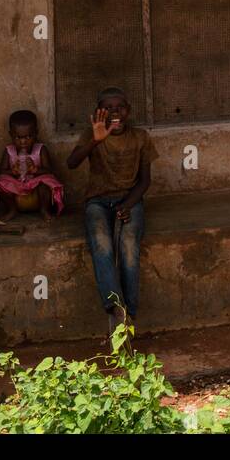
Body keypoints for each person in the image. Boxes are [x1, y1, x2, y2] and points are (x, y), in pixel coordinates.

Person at [67, 88, 158, 333]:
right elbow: (71, 163)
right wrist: (95, 140)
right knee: (102, 243)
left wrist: (127, 205)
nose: (115, 112)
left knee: (128, 244)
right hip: (97, 201)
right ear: (99, 112)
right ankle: (116, 306)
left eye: (120, 107)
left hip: (130, 200)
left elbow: (144, 181)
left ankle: (129, 311)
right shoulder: (92, 134)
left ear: (128, 110)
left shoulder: (140, 137)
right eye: (108, 108)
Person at [0, 109, 64, 221]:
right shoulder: (9, 151)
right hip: (17, 189)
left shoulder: (41, 149)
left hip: (35, 190)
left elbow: (49, 170)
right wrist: (13, 172)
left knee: (48, 181)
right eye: (18, 137)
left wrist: (35, 170)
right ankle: (12, 210)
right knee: (0, 182)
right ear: (11, 135)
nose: (23, 142)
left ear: (36, 133)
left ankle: (44, 210)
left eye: (28, 137)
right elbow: (1, 172)